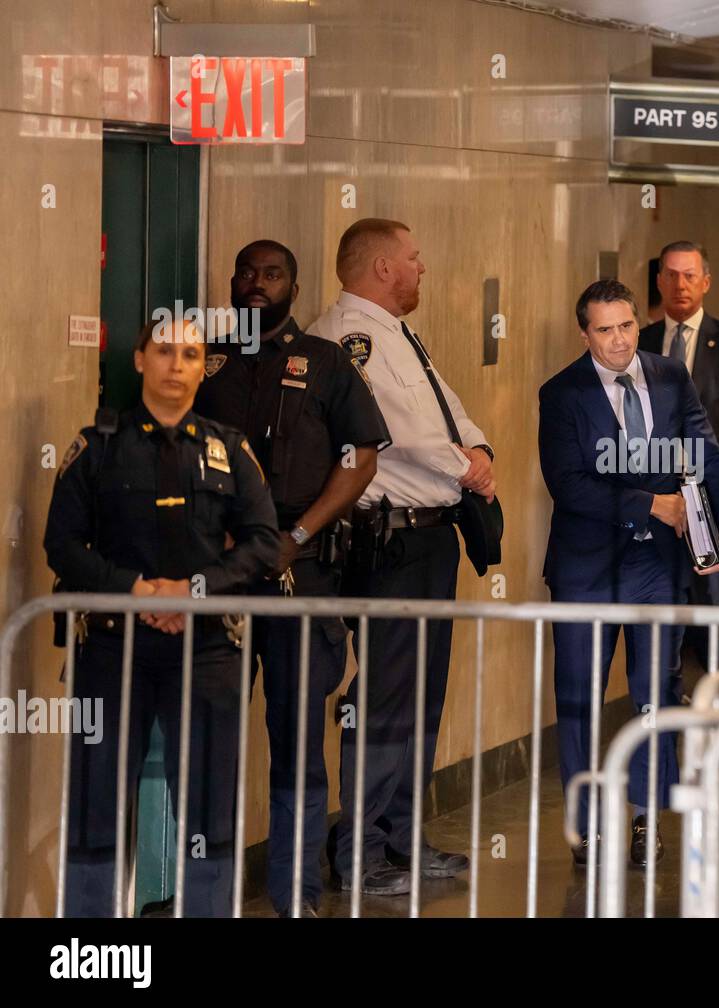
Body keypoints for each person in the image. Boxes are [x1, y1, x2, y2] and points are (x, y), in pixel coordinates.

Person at [44, 319, 279, 917]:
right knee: (96, 799)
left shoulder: (229, 448)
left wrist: (191, 592)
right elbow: (62, 544)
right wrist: (137, 591)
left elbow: (260, 542)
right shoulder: (97, 445)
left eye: (191, 354)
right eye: (165, 351)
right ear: (140, 359)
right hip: (111, 648)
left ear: (203, 367)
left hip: (205, 651)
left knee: (208, 802)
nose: (177, 363)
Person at [194, 240, 390, 918]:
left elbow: (361, 459)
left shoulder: (328, 362)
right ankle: (207, 899)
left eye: (270, 273)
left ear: (293, 286)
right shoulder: (205, 359)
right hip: (217, 577)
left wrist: (297, 536)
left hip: (297, 572)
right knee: (210, 741)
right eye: (245, 272)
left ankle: (296, 896)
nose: (255, 283)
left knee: (298, 743)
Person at [309, 218, 495, 896]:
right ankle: (360, 849)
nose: (421, 268)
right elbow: (403, 429)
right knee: (386, 697)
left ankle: (399, 834)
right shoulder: (349, 337)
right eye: (413, 257)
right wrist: (466, 469)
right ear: (384, 267)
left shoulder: (394, 330)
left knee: (421, 693)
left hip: (427, 535)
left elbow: (444, 406)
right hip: (388, 538)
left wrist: (480, 450)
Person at [539, 279, 719, 867]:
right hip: (586, 567)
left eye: (627, 326)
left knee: (655, 693)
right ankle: (585, 827)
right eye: (605, 330)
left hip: (657, 564)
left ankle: (647, 819)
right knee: (579, 699)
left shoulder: (670, 375)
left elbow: (704, 449)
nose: (619, 340)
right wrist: (651, 503)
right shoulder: (562, 392)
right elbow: (568, 483)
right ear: (584, 333)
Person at [640, 241, 719, 672]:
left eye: (689, 275)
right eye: (670, 275)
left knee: (711, 610)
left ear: (705, 282)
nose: (680, 284)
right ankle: (665, 708)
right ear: (658, 282)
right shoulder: (639, 340)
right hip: (651, 498)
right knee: (658, 608)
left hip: (710, 498)